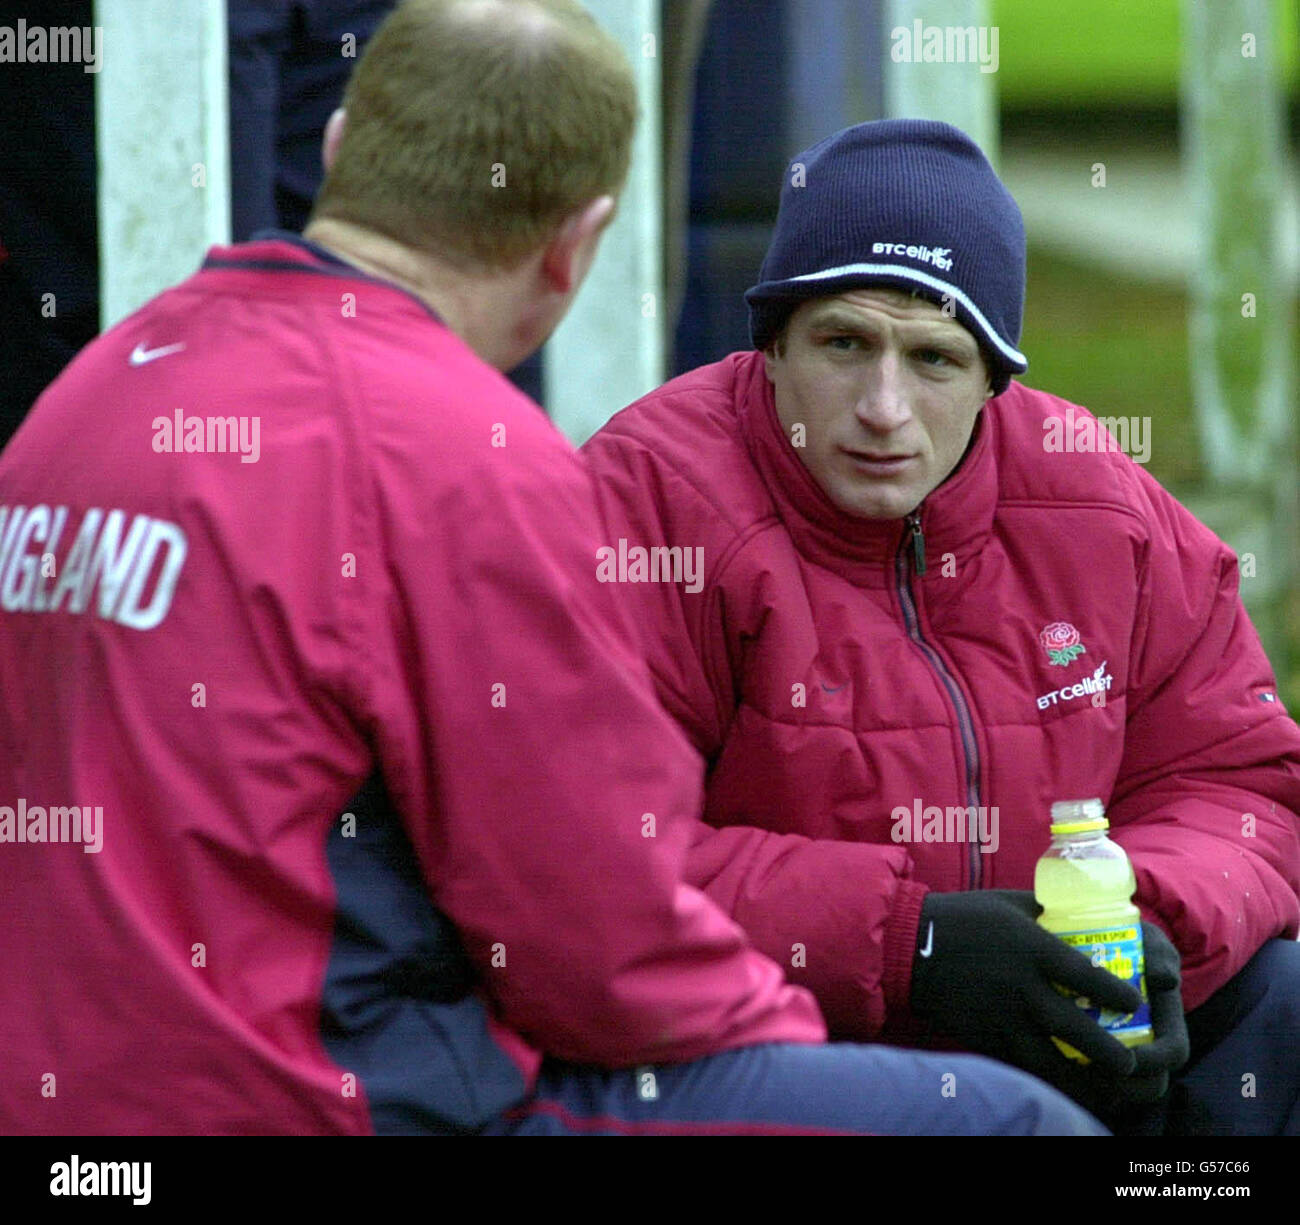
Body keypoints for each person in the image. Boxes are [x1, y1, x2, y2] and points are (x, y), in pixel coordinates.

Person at [0, 3, 1103, 1136]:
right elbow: (597, 942)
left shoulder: (91, 396)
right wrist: (797, 1039)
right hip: (318, 1099)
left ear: (336, 152)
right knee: (1004, 1123)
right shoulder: (462, 460)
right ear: (581, 237)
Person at [582, 118, 1300, 1136]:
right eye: (843, 342)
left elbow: (1237, 780)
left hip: (1070, 1028)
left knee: (1285, 1003)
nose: (884, 407)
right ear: (773, 342)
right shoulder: (647, 504)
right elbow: (592, 857)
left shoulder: (1097, 504)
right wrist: (906, 944)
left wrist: (1150, 930)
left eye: (932, 358)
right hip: (788, 1047)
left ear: (996, 381)